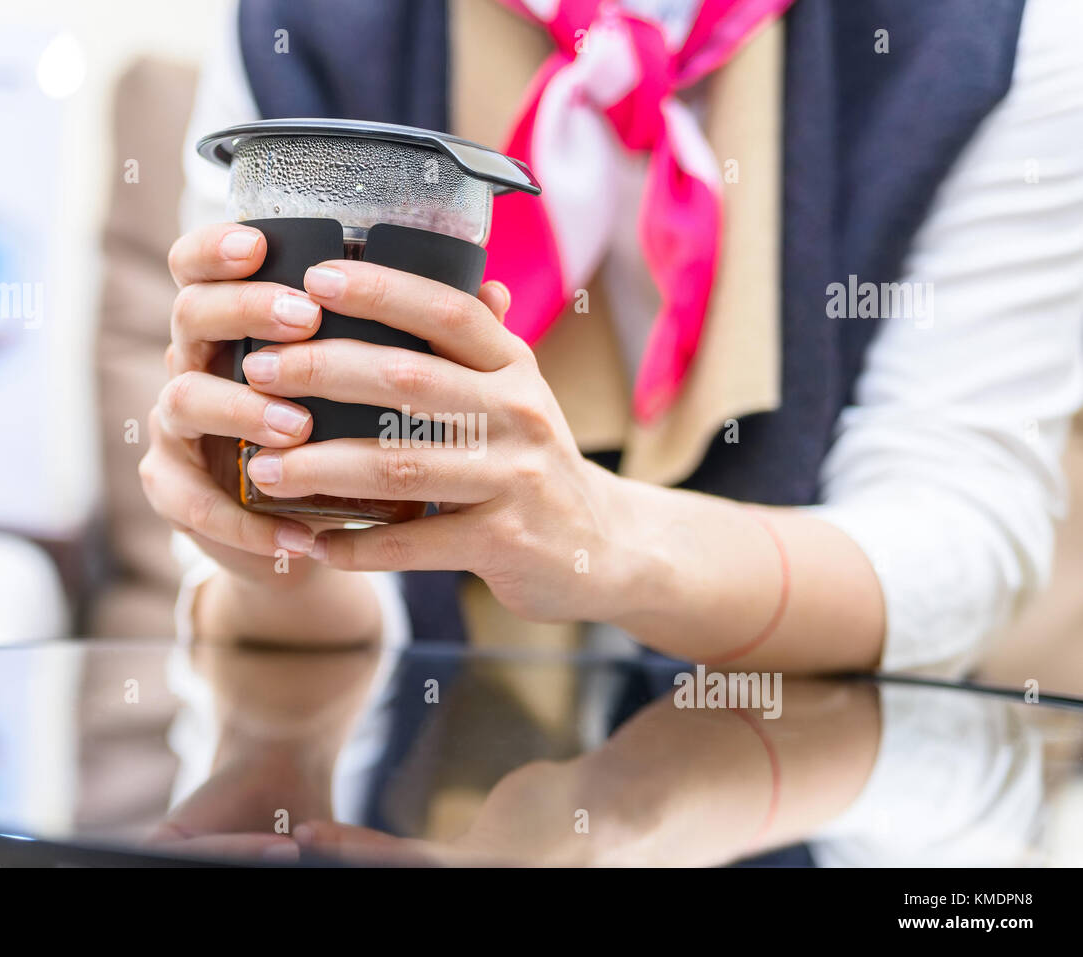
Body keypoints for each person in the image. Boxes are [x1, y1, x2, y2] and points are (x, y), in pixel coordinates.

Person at [139, 0, 1083, 675]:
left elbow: (954, 538)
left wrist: (602, 538)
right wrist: (275, 553)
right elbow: (332, 636)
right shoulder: (297, 22)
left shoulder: (1000, 36)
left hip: (804, 774)